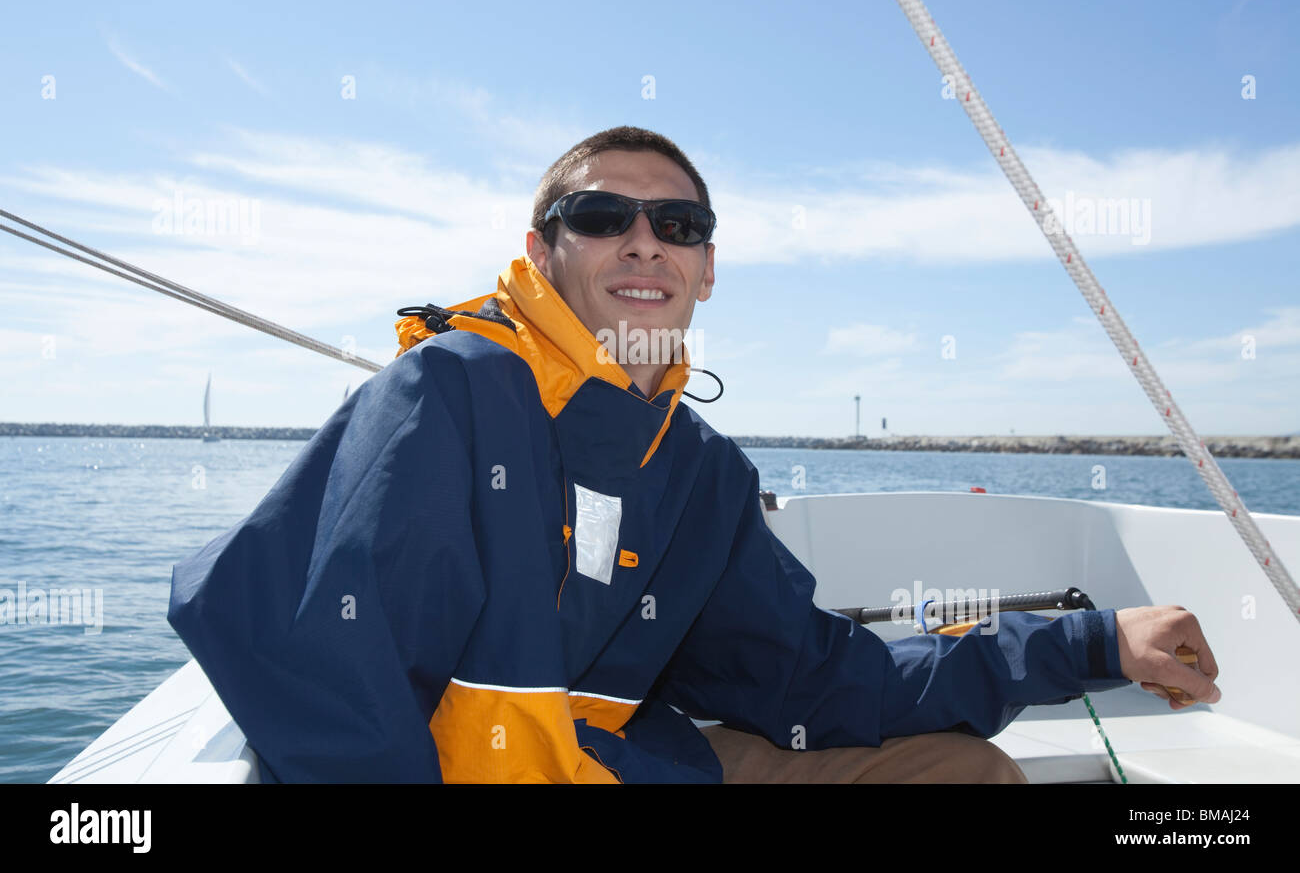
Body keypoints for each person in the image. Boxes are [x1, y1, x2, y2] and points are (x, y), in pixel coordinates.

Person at [167, 125, 1222, 784]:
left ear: (706, 268)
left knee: (960, 770)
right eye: (600, 215)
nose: (643, 240)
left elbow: (809, 681)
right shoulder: (451, 390)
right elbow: (318, 668)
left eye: (675, 221)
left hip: (616, 759)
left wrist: (1088, 643)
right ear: (542, 250)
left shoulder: (701, 470)